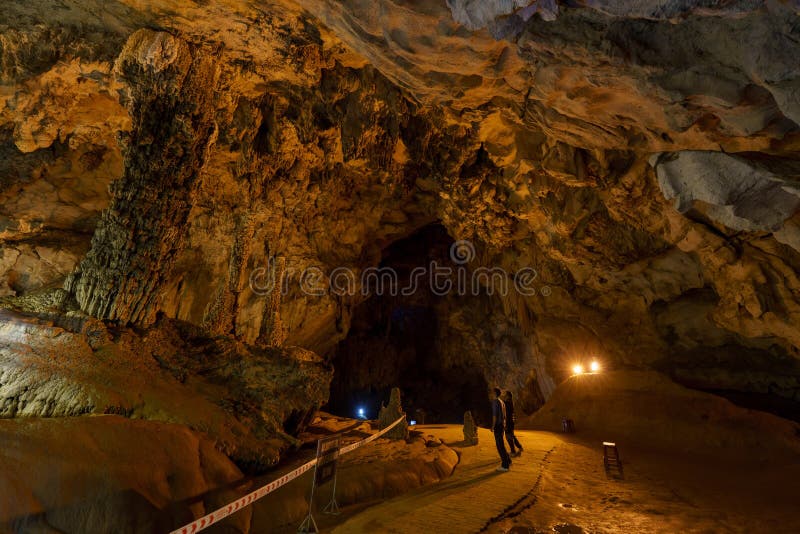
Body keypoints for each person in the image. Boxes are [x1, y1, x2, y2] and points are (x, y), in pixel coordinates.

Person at [491, 387, 511, 472]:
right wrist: (504, 424)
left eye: (492, 392)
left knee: (499, 446)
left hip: (498, 426)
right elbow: (504, 415)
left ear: (495, 394)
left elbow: (495, 416)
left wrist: (493, 426)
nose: (491, 394)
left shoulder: (495, 402)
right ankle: (508, 460)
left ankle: (505, 466)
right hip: (502, 425)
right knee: (501, 445)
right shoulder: (502, 402)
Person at [503, 391, 524, 457]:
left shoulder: (507, 403)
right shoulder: (510, 402)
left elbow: (507, 415)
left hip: (508, 422)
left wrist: (505, 424)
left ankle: (513, 451)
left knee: (508, 437)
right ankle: (519, 447)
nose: (504, 396)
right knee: (512, 436)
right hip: (510, 422)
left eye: (505, 395)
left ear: (508, 396)